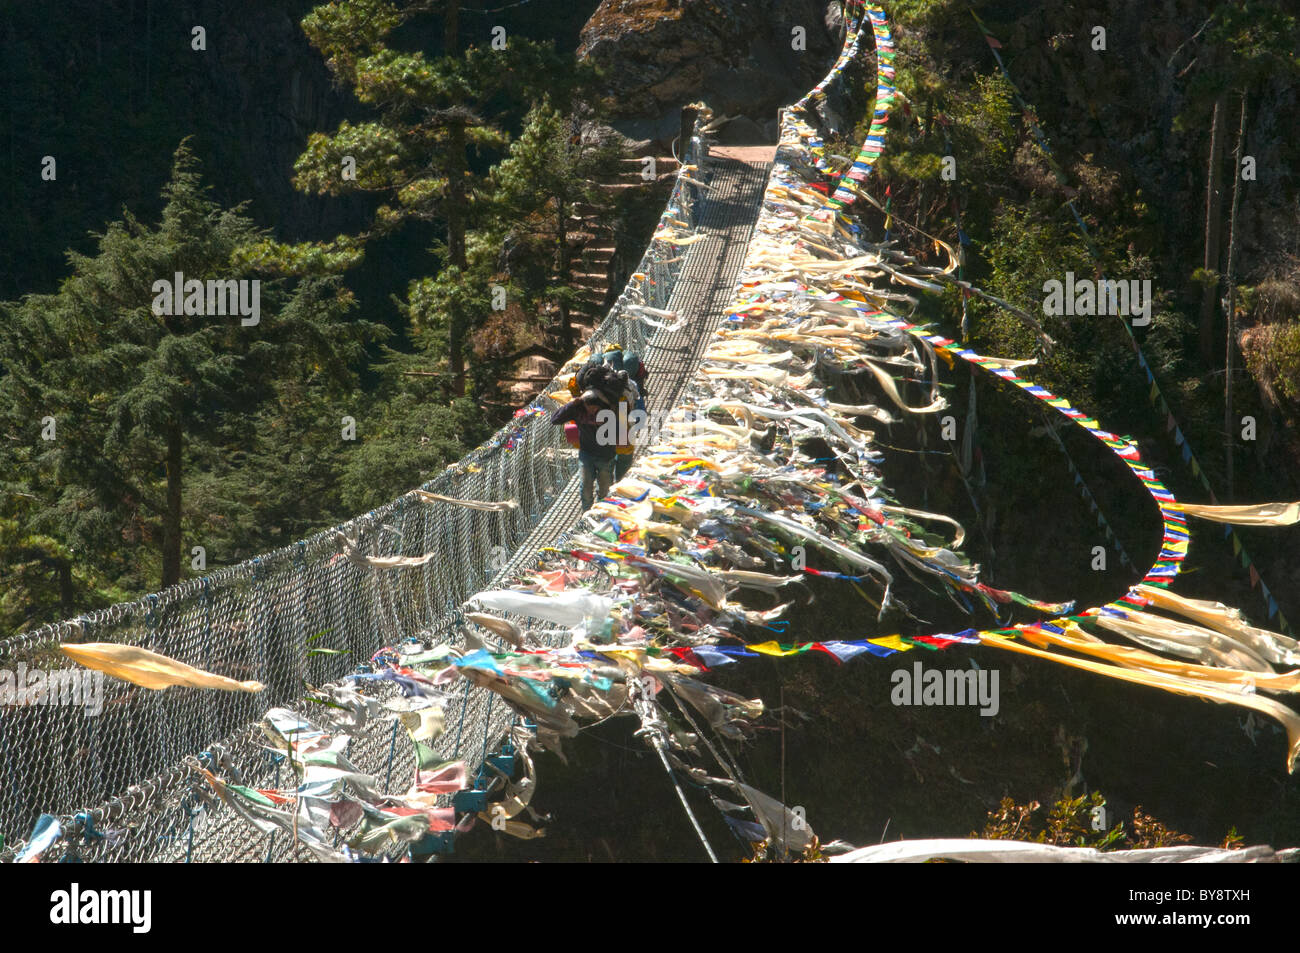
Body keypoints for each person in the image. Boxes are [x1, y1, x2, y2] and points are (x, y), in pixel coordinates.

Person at [552, 386, 616, 510]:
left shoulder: (609, 412)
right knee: (585, 488)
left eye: (595, 407)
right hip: (586, 454)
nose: (592, 410)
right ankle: (587, 514)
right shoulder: (578, 411)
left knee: (605, 490)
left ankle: (602, 514)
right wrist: (571, 405)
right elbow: (555, 420)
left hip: (606, 456)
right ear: (583, 405)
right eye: (589, 407)